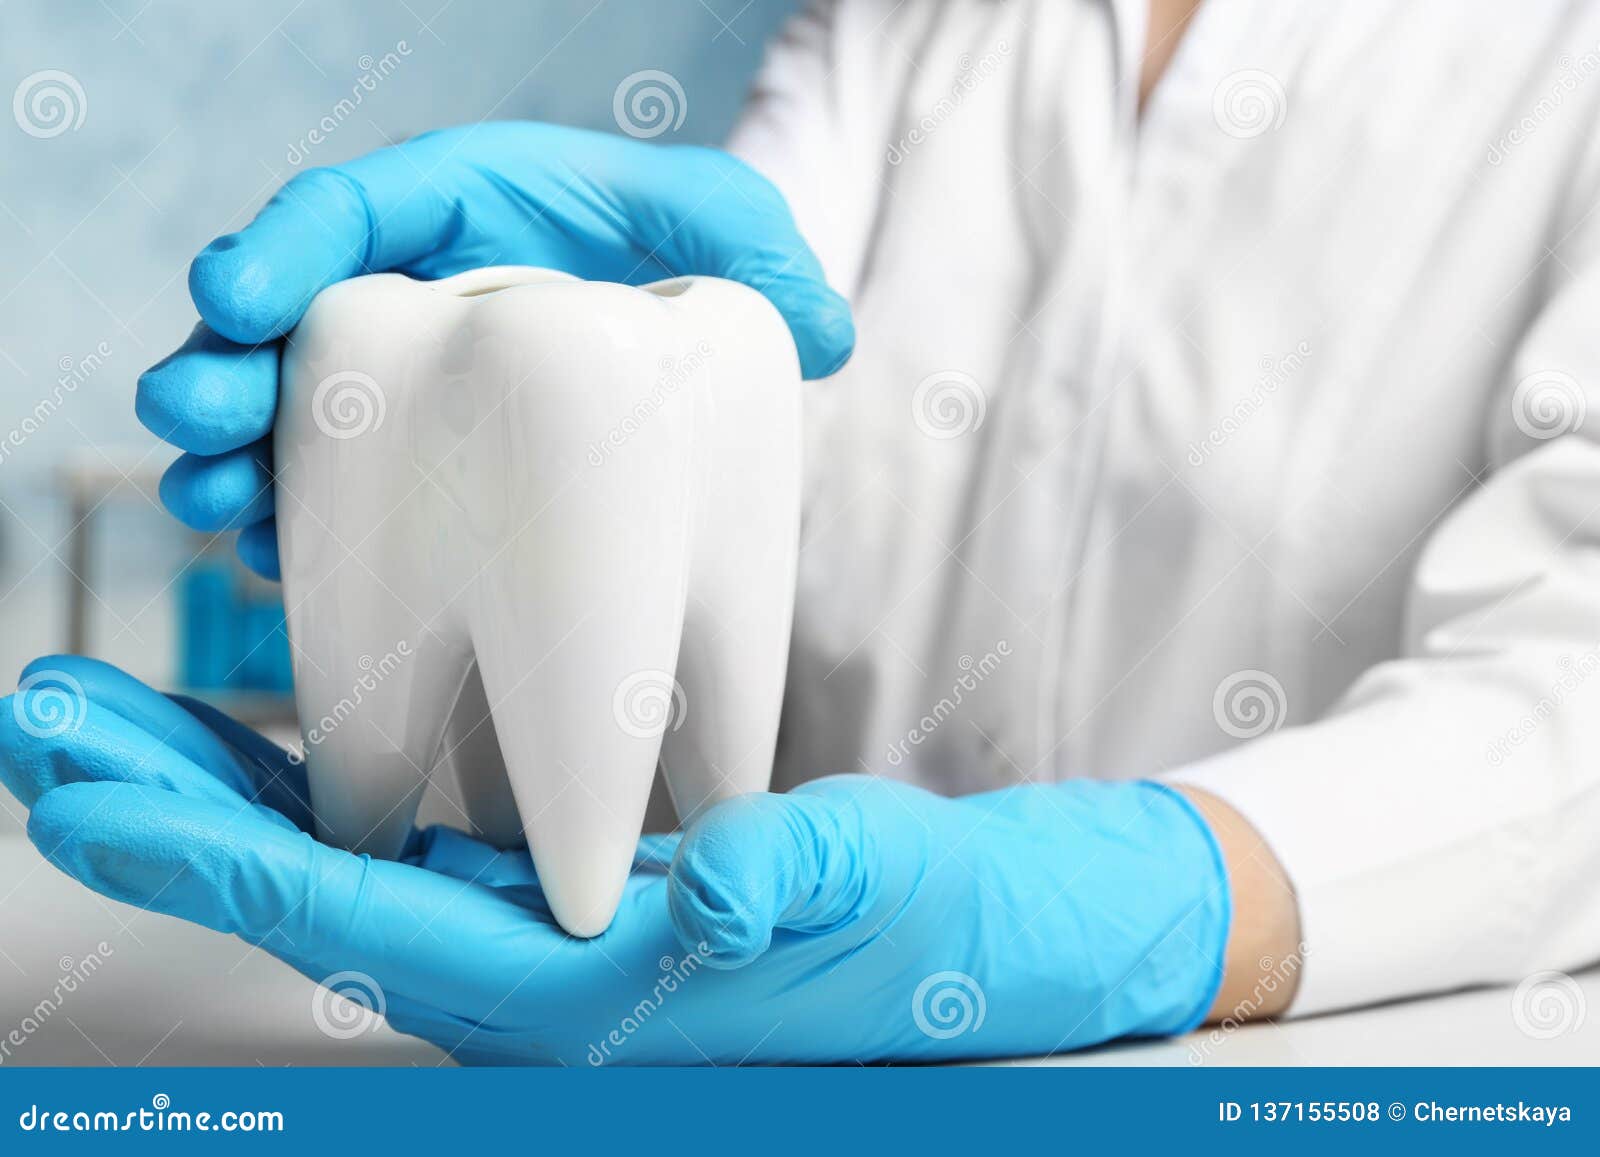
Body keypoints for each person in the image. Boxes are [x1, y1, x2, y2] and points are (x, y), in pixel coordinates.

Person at [3, 0, 1599, 1063]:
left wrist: (1134, 903)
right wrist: (491, 397)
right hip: (723, 1053)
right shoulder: (906, 24)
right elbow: (727, 425)